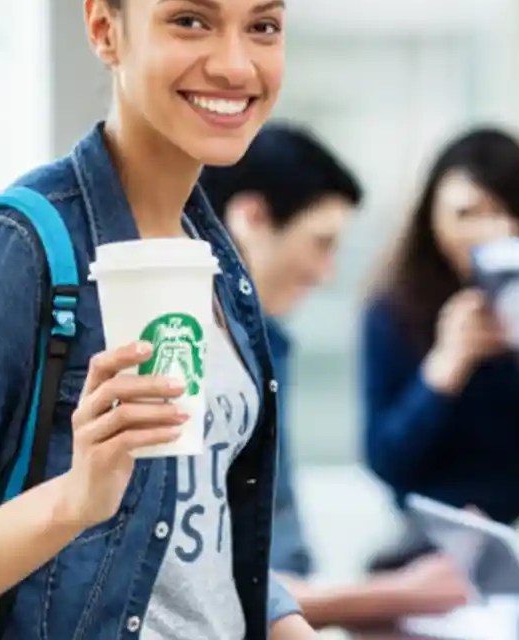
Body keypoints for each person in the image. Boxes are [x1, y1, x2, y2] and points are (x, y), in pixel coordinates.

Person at [0, 0, 316, 638]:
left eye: (263, 27)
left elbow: (205, 542)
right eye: (190, 21)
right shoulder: (11, 249)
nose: (235, 64)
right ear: (106, 29)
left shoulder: (217, 264)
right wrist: (76, 497)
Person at [200, 123, 472, 628]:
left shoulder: (267, 347)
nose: (327, 273)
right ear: (251, 218)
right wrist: (398, 595)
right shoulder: (200, 366)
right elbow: (218, 594)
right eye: (321, 243)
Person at [362, 128, 519, 530]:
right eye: (465, 214)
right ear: (432, 218)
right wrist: (446, 368)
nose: (484, 231)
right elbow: (388, 460)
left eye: (500, 213)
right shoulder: (394, 309)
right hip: (434, 538)